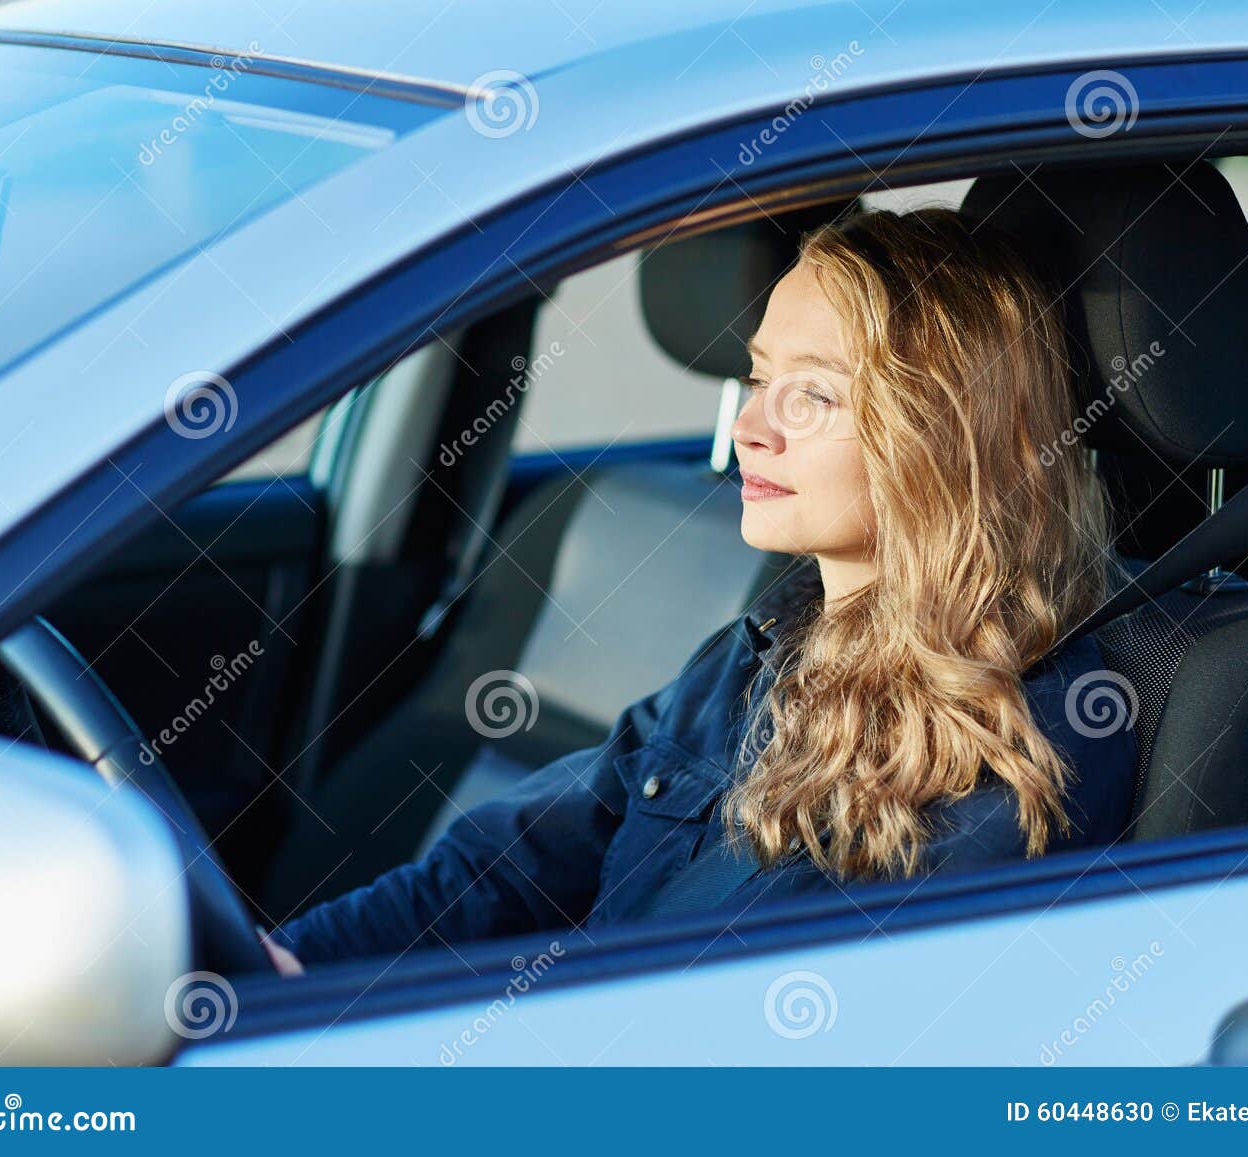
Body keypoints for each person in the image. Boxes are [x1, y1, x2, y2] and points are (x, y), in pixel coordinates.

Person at [261, 207, 1136, 975]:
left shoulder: (1009, 750)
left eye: (813, 395)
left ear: (940, 432)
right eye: (757, 380)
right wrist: (293, 964)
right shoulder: (757, 651)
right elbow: (515, 858)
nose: (750, 427)